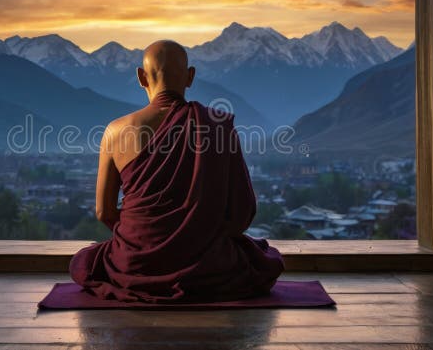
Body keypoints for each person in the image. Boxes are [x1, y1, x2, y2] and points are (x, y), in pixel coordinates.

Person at [69, 40, 284, 303]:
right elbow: (243, 212)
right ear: (190, 76)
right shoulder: (216, 126)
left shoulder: (115, 132)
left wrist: (146, 242)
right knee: (262, 256)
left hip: (136, 263)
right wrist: (197, 241)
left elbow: (104, 212)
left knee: (85, 261)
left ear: (140, 77)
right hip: (206, 265)